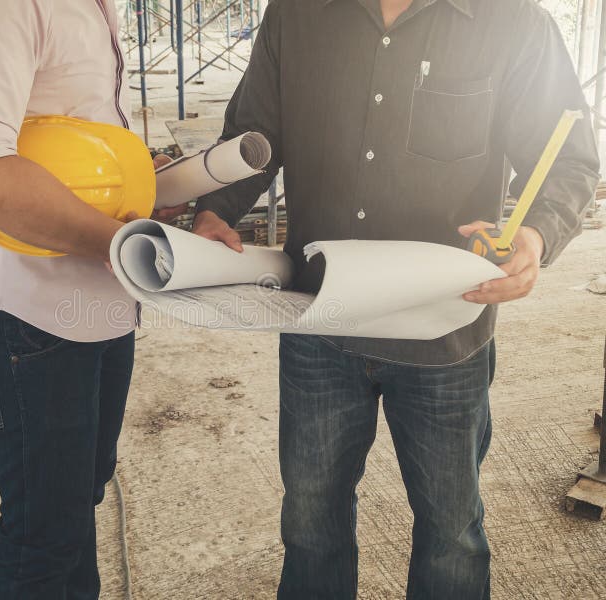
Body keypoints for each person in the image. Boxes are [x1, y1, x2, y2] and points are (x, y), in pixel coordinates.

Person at [193, 0, 600, 598]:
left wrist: (535, 238)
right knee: (310, 524)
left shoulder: (512, 23)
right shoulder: (296, 15)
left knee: (450, 532)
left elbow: (568, 159)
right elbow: (252, 140)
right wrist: (212, 211)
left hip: (444, 327)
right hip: (319, 320)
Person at [0, 1, 181, 598]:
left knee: (76, 504)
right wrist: (122, 242)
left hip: (98, 303)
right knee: (43, 536)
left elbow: (65, 135)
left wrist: (139, 184)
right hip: (28, 318)